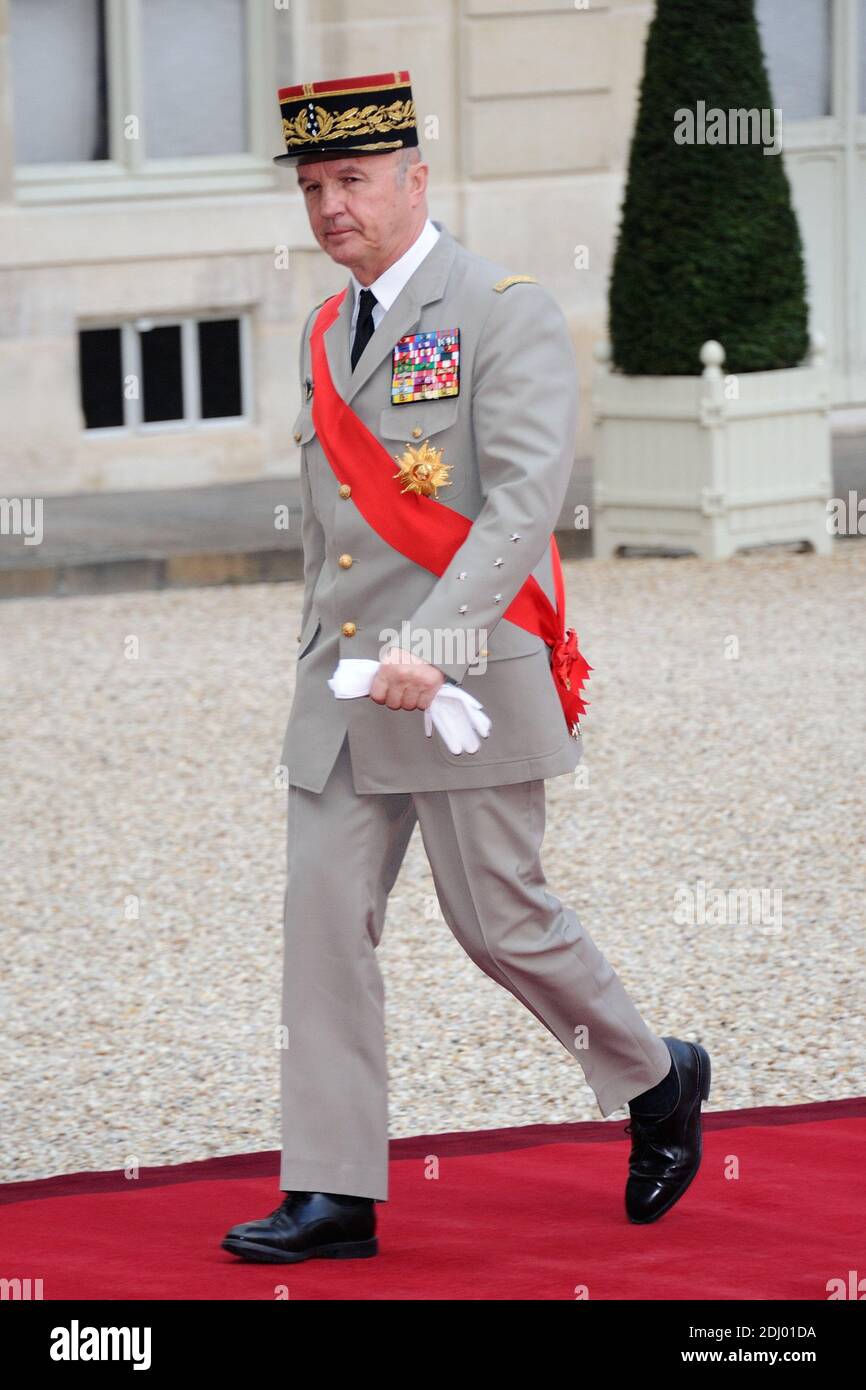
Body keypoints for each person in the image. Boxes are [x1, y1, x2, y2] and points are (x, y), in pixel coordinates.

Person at [222, 70, 711, 1265]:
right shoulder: (325, 329)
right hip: (344, 690)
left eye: (352, 180)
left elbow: (523, 505)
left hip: (464, 681)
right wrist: (325, 655)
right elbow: (333, 527)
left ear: (414, 179)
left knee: (500, 923)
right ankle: (332, 1191)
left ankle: (655, 1078)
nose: (330, 207)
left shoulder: (501, 310)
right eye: (312, 187)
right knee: (322, 923)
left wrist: (430, 646)